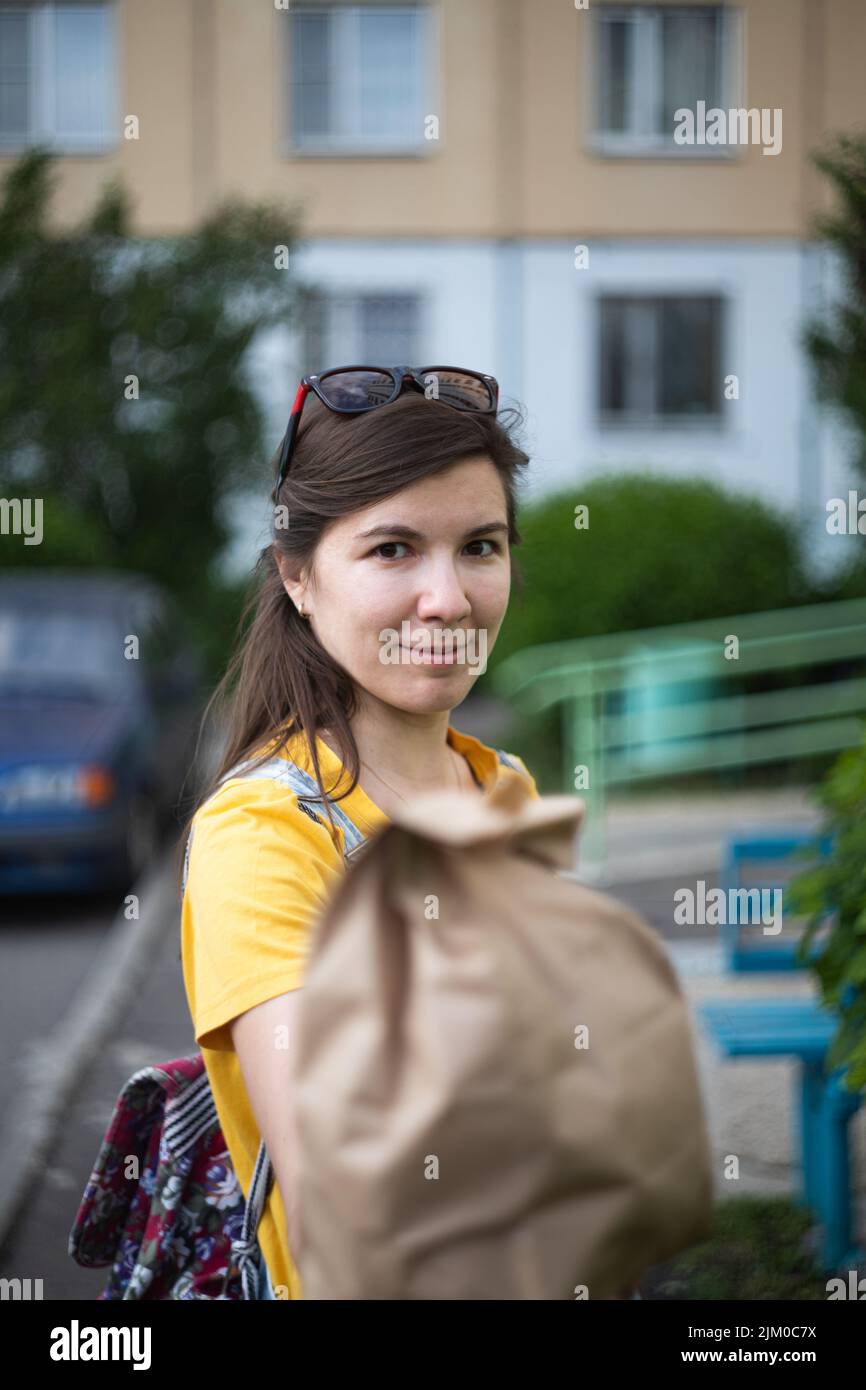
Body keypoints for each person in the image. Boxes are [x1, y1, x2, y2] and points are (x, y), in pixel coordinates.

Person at [179, 367, 543, 1300]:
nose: (449, 600)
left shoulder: (504, 788)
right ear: (297, 576)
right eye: (392, 550)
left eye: (480, 546)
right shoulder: (263, 836)